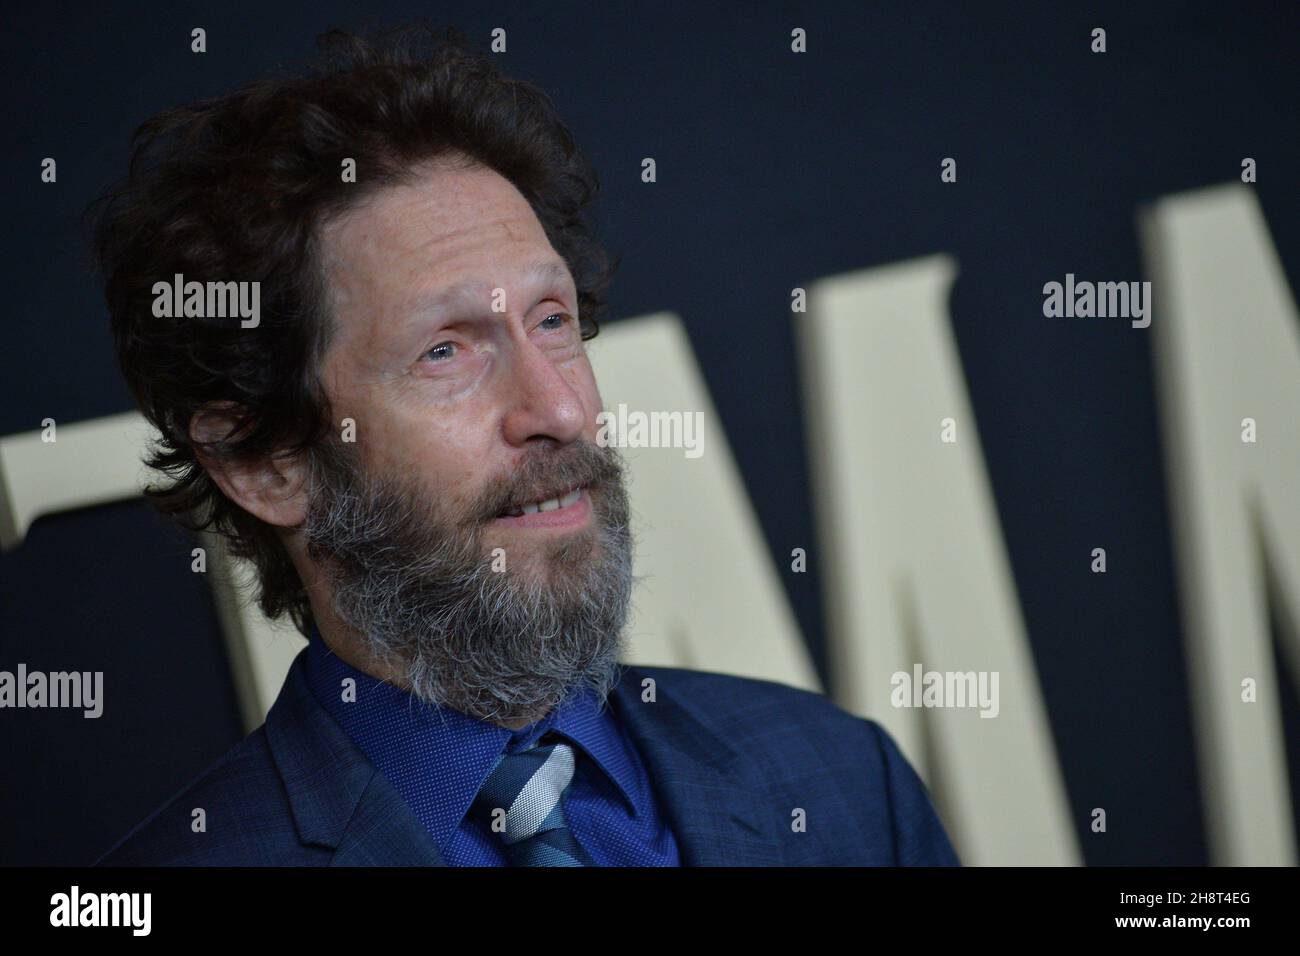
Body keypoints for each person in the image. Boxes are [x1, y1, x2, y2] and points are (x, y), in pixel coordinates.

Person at [89, 23, 959, 867]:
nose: (560, 408)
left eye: (553, 320)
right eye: (445, 351)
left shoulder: (841, 779)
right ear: (266, 464)